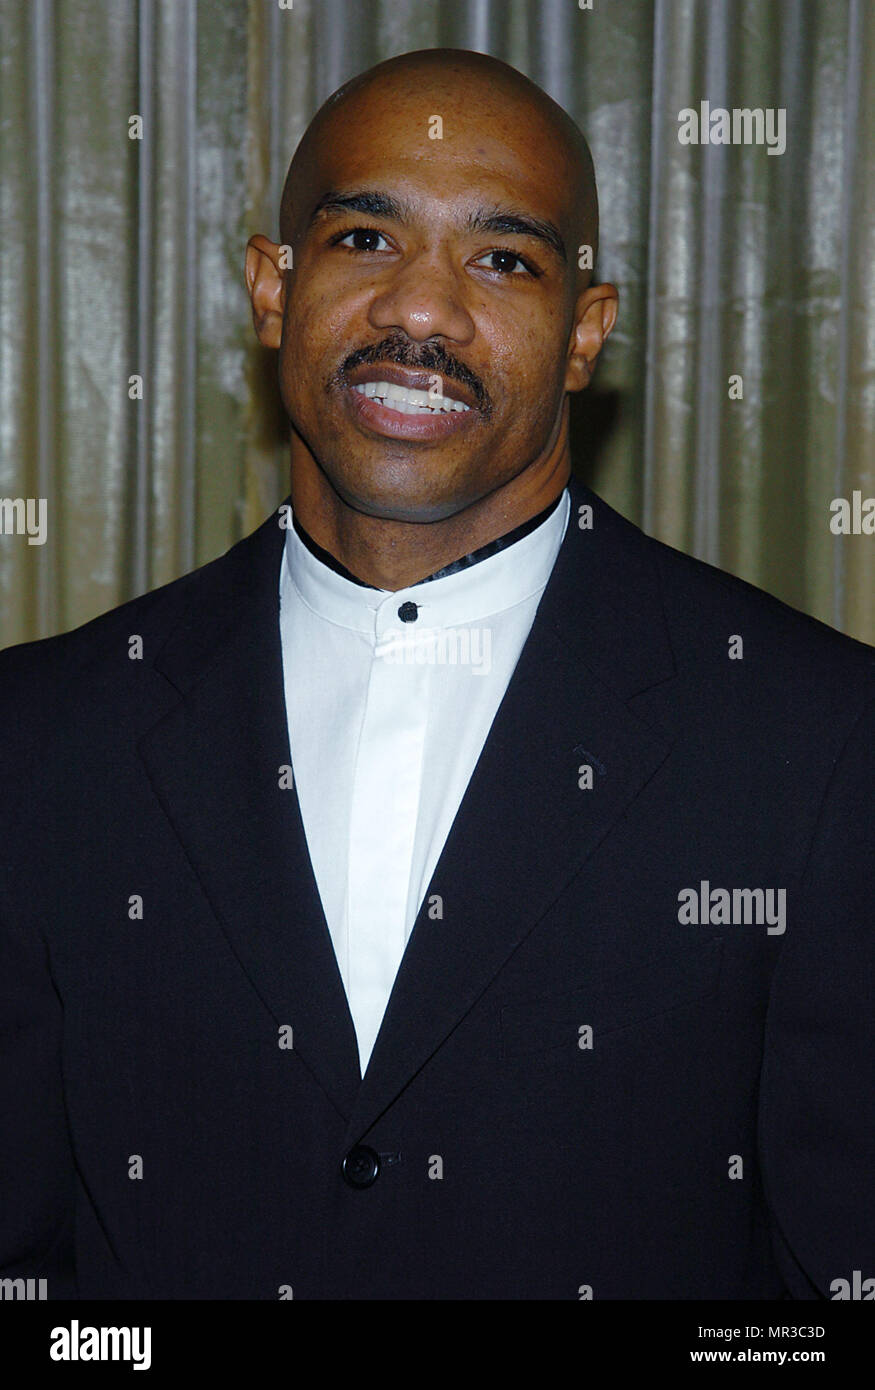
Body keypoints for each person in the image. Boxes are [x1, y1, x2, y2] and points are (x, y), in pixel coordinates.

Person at [1, 47, 872, 1301]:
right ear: (270, 285)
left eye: (501, 259)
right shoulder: (40, 739)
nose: (422, 313)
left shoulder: (816, 742)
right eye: (365, 238)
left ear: (584, 333)